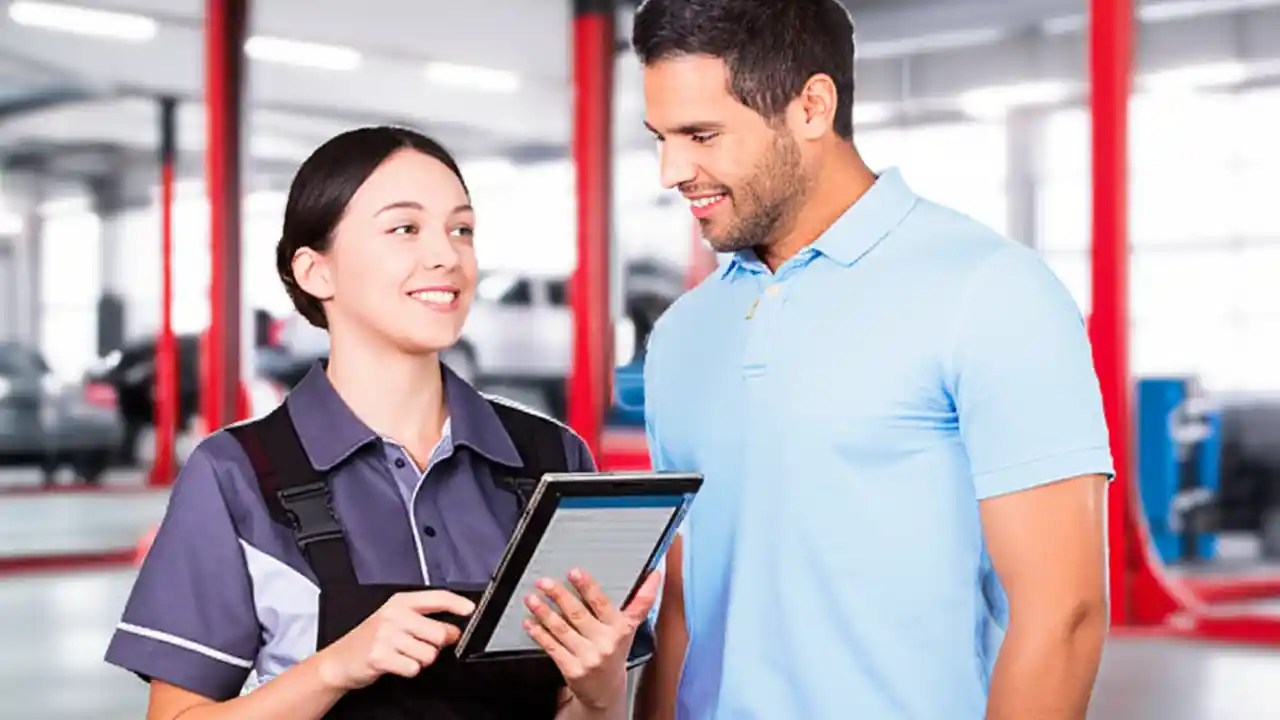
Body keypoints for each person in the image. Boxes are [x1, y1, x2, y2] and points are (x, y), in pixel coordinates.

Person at [630, 1, 1113, 719]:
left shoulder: (991, 290)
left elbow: (1063, 616)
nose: (673, 170)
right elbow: (685, 609)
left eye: (702, 134)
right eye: (661, 137)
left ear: (812, 107)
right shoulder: (680, 335)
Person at [105, 126, 658, 720]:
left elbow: (583, 713)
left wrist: (600, 695)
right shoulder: (237, 476)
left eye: (461, 229)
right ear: (316, 272)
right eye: (405, 228)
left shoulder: (552, 460)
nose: (447, 255)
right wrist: (336, 667)